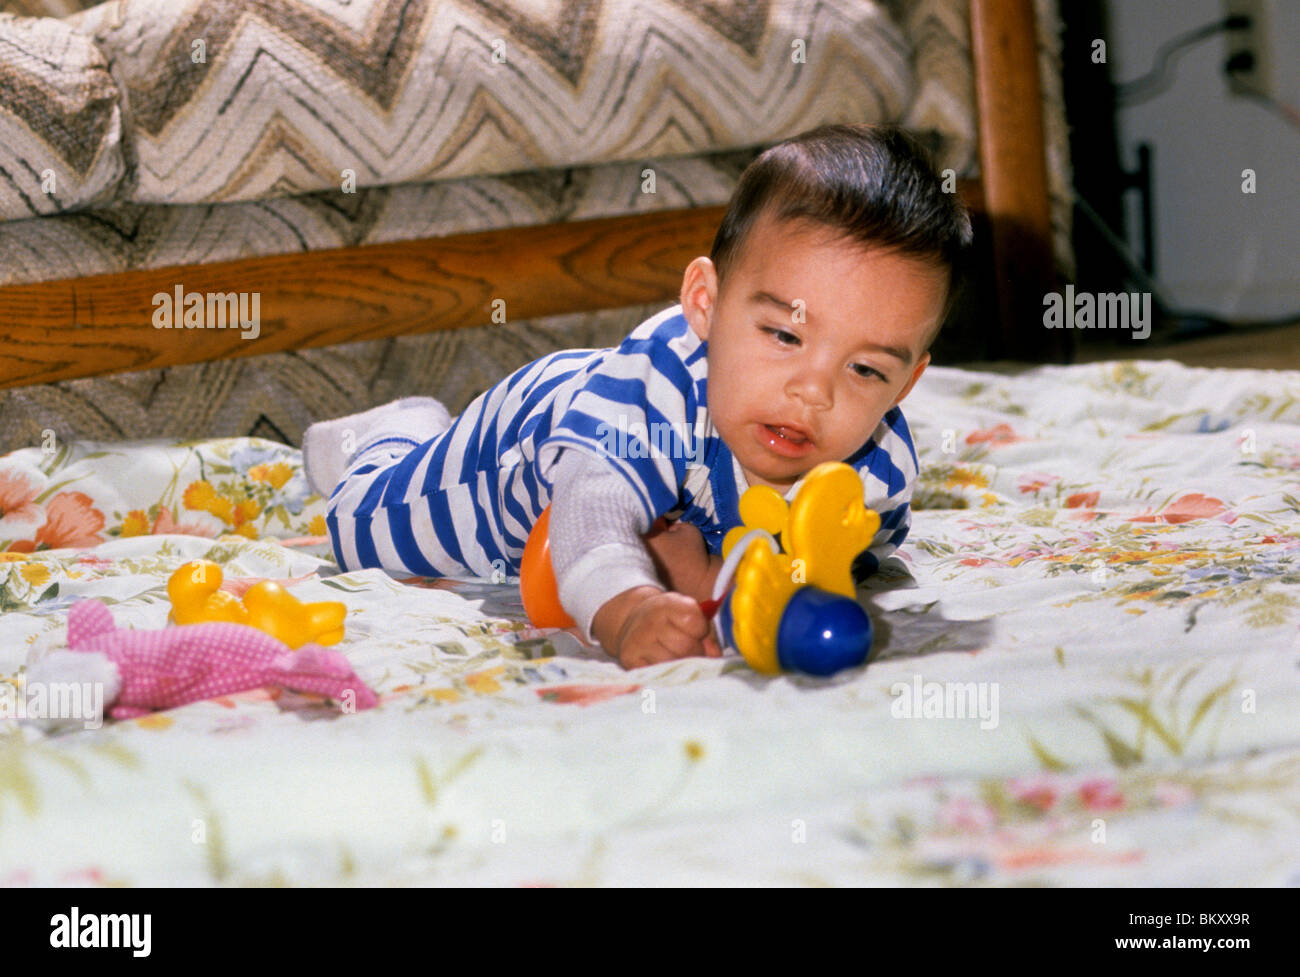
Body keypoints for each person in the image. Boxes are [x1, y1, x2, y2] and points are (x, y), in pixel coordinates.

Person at [302, 123, 972, 669]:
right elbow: (589, 514)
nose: (813, 391)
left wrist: (725, 578)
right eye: (784, 335)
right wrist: (628, 610)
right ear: (705, 305)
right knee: (361, 531)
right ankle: (391, 439)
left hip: (648, 465)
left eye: (865, 370)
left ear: (907, 382)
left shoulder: (875, 469)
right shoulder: (652, 397)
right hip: (520, 450)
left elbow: (812, 559)